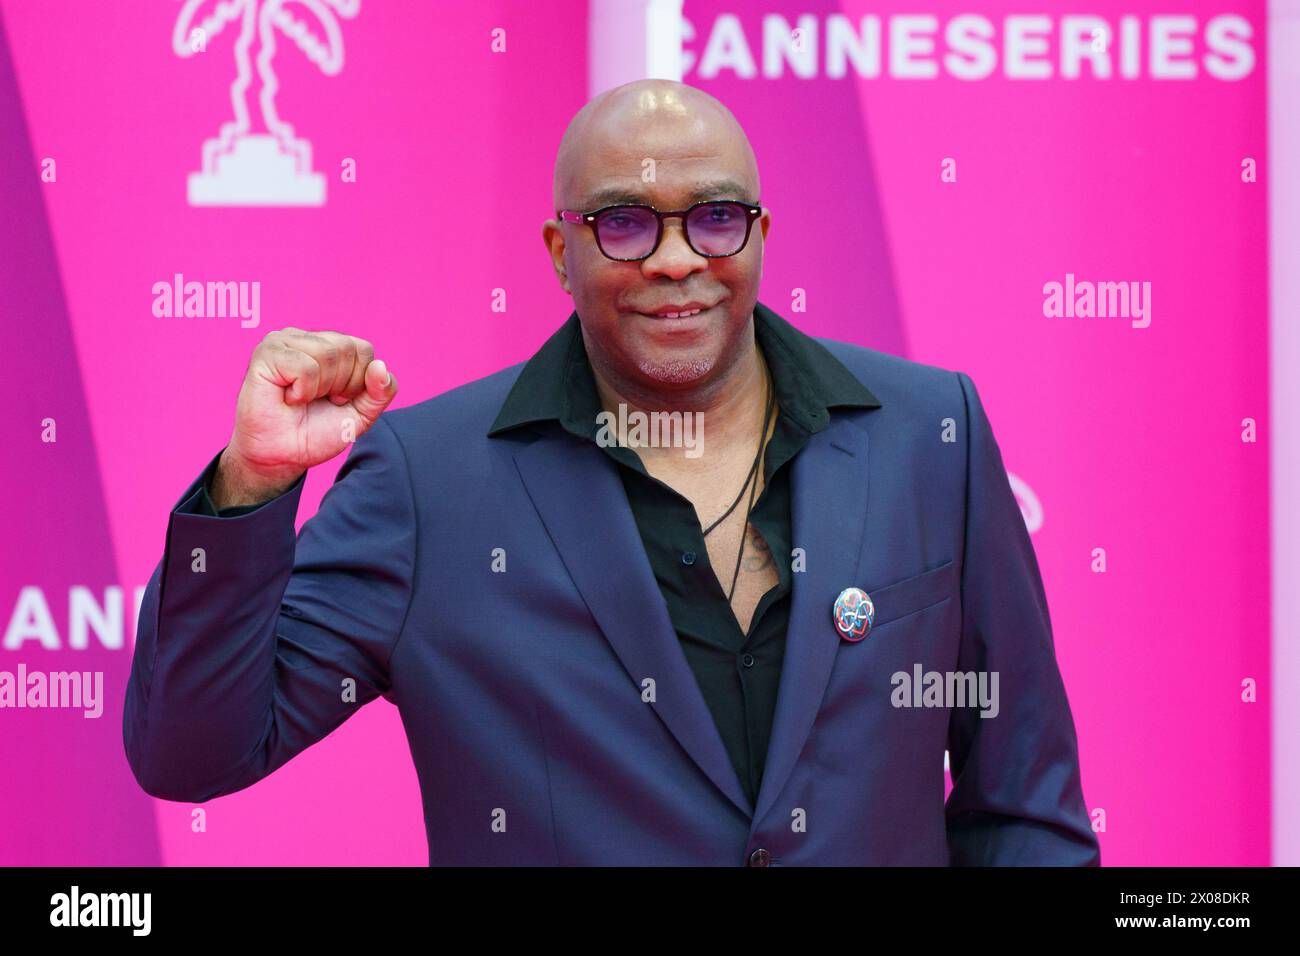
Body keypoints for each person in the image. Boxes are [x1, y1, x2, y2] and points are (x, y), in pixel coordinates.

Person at [124, 78, 1100, 866]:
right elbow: (195, 751)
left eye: (715, 218)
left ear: (760, 233)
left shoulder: (930, 435)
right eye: (625, 223)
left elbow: (1022, 807)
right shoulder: (428, 482)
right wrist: (248, 483)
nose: (677, 260)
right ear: (560, 250)